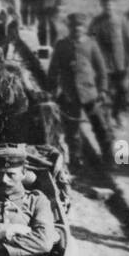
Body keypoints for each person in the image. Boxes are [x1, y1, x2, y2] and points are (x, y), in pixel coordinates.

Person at [0, 148, 62, 256]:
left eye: (11, 174)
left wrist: (0, 250)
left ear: (23, 173)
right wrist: (9, 230)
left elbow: (44, 242)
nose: (4, 179)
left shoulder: (37, 200)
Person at [47, 13, 115, 170]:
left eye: (80, 27)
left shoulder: (91, 44)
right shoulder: (62, 45)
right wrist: (51, 89)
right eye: (73, 27)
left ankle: (109, 159)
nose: (77, 30)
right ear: (69, 28)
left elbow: (102, 71)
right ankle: (76, 161)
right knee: (72, 132)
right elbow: (53, 70)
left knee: (101, 127)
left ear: (84, 28)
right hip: (70, 95)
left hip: (90, 94)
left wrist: (103, 90)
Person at [90, 0, 129, 126]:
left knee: (123, 89)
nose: (108, 7)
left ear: (114, 6)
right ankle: (104, 116)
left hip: (120, 61)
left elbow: (128, 39)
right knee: (103, 89)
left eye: (110, 5)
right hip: (103, 61)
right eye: (105, 5)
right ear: (102, 7)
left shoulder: (121, 20)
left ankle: (117, 114)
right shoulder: (96, 21)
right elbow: (90, 40)